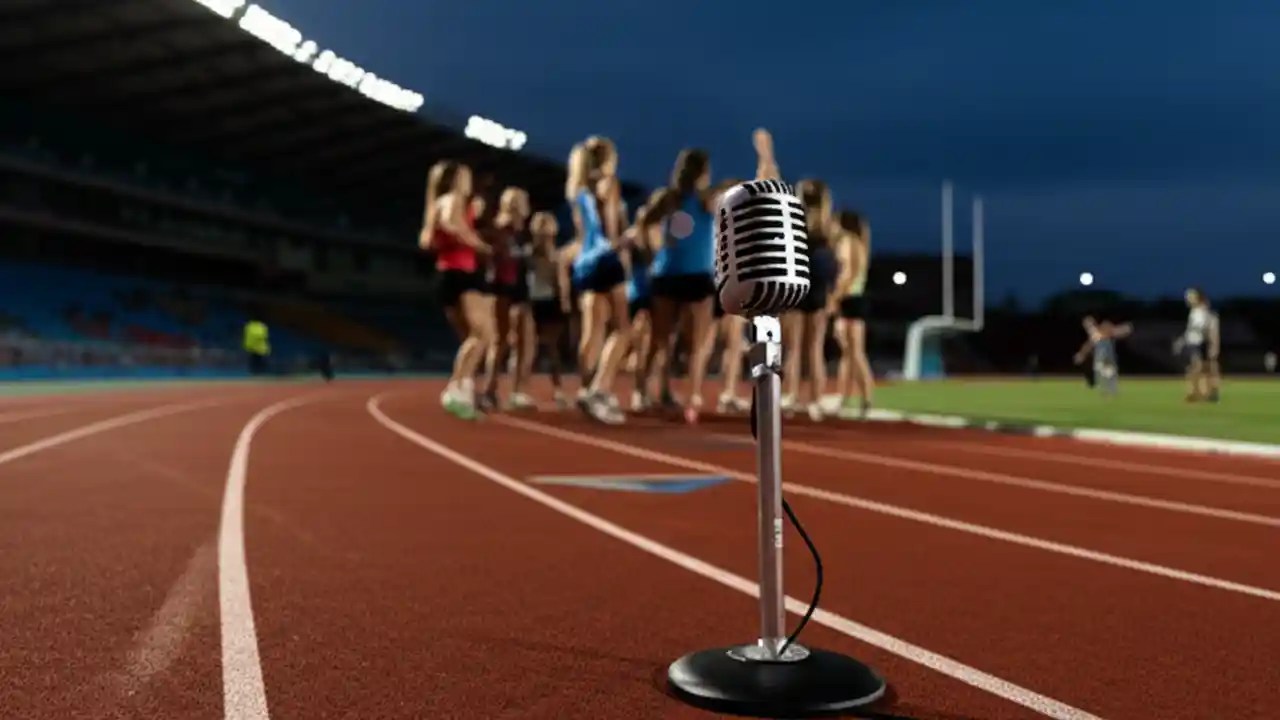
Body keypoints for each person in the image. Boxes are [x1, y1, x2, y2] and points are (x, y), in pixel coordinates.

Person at [420, 159, 492, 420]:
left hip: (446, 276)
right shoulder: (453, 200)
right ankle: (456, 387)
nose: (469, 180)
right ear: (455, 181)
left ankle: (467, 390)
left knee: (471, 339)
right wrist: (479, 244)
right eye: (465, 176)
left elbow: (426, 240)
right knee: (483, 334)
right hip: (462, 275)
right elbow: (453, 224)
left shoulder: (435, 205)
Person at [567, 137, 631, 424]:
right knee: (623, 330)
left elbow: (583, 234)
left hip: (584, 263)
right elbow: (611, 229)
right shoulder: (609, 184)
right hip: (606, 258)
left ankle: (585, 388)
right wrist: (626, 243)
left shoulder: (577, 188)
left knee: (591, 332)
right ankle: (600, 389)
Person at [783, 178, 839, 421]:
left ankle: (790, 396)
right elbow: (834, 265)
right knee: (814, 350)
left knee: (793, 349)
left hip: (796, 287)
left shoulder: (792, 220)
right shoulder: (828, 227)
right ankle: (816, 401)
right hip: (817, 289)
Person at [479, 186, 532, 411]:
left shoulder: (522, 232)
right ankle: (489, 390)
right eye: (513, 201)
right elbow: (487, 252)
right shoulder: (500, 227)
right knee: (499, 340)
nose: (518, 206)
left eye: (520, 201)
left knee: (524, 341)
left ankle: (517, 392)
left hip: (520, 288)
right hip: (500, 287)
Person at [516, 211, 569, 408]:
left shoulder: (557, 257)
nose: (543, 237)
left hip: (550, 304)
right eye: (540, 233)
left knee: (551, 349)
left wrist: (564, 304)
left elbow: (562, 283)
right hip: (531, 303)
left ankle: (558, 389)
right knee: (526, 348)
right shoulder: (527, 254)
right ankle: (520, 390)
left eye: (547, 234)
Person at [832, 210, 873, 418]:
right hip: (853, 299)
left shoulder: (849, 241)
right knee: (849, 354)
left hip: (850, 299)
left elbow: (849, 272)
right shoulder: (859, 242)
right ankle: (845, 397)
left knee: (854, 353)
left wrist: (835, 297)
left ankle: (865, 398)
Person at [1073, 316, 1133, 397]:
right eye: (1086, 325)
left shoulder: (1102, 328)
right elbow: (1089, 344)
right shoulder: (1095, 333)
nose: (1087, 327)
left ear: (1093, 323)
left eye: (1088, 325)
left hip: (1105, 352)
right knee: (1103, 371)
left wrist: (1123, 329)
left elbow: (1113, 332)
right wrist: (1081, 354)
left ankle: (1110, 389)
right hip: (1102, 353)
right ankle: (1108, 389)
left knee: (1106, 370)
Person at [1173, 287, 1214, 402]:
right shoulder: (1195, 312)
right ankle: (1195, 393)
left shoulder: (1201, 311)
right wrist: (1181, 341)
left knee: (1199, 369)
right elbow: (1191, 329)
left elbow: (1201, 327)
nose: (1188, 299)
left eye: (1190, 296)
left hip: (1198, 343)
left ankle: (1200, 393)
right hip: (1193, 343)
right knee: (1195, 369)